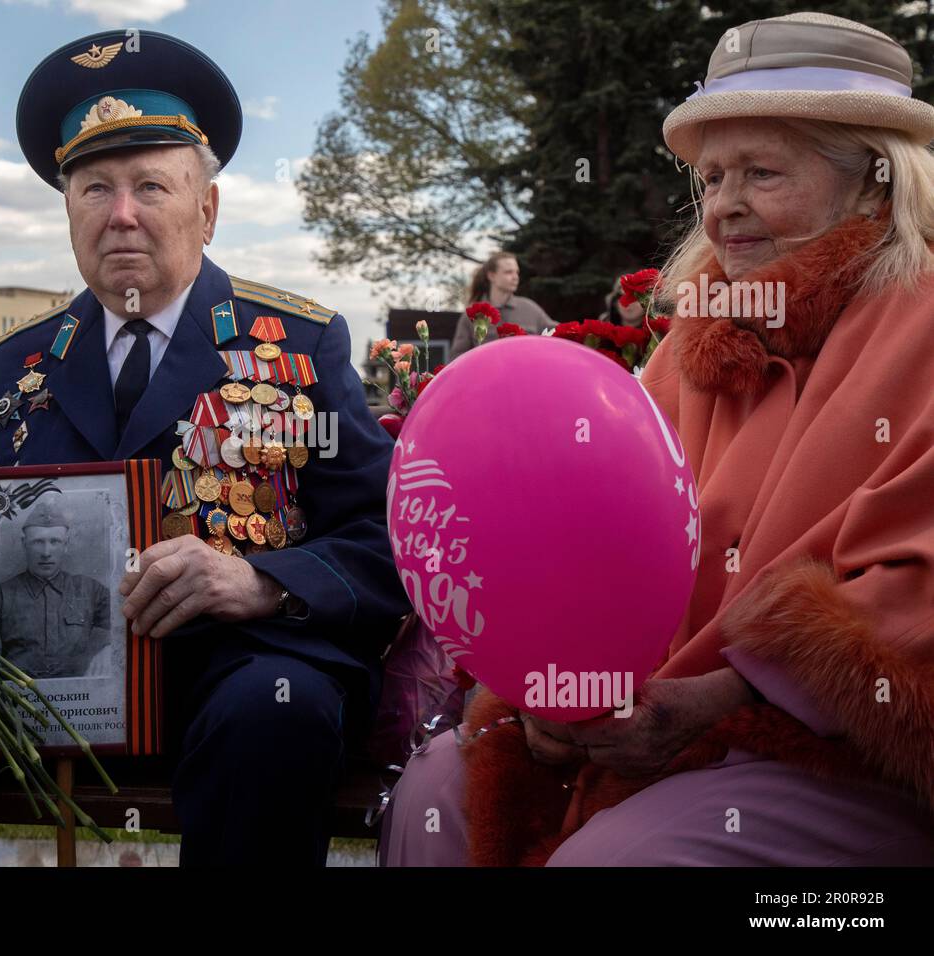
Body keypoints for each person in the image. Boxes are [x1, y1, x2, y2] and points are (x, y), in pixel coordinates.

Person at [0, 30, 409, 866]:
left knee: (277, 710)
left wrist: (258, 580)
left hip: (230, 676)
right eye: (94, 188)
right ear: (69, 209)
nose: (121, 214)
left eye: (151, 185)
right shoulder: (17, 364)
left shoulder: (299, 342)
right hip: (34, 680)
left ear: (207, 209)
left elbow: (385, 542)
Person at [381, 12, 934, 866]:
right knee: (433, 798)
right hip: (655, 730)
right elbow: (593, 544)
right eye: (710, 179)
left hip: (839, 755)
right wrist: (555, 693)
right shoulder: (696, 339)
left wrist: (724, 696)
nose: (723, 208)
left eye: (761, 172)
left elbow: (913, 599)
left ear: (874, 181)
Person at [0, 500, 111, 679]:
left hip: (80, 699)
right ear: (24, 544)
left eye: (55, 541)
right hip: (18, 701)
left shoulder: (91, 591)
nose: (46, 552)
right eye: (38, 542)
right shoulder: (0, 597)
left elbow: (123, 626)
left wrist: (108, 649)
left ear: (66, 545)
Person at [448, 251, 554, 360]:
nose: (515, 277)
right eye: (508, 272)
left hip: (527, 375)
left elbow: (560, 333)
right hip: (488, 376)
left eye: (516, 272)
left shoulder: (531, 309)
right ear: (492, 276)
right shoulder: (473, 315)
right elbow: (456, 359)